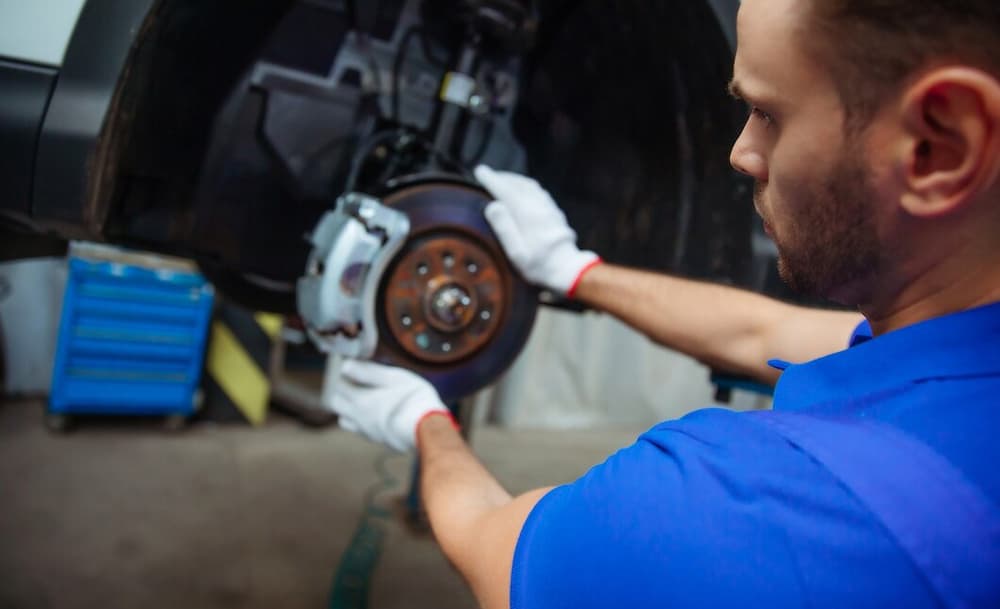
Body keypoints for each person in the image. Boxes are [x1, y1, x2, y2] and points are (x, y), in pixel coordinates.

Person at [330, 0, 1000, 606]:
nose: (742, 152)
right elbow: (761, 331)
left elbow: (491, 547)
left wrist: (424, 420)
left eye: (768, 113)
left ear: (942, 146)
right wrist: (575, 272)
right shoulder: (958, 359)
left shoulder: (754, 512)